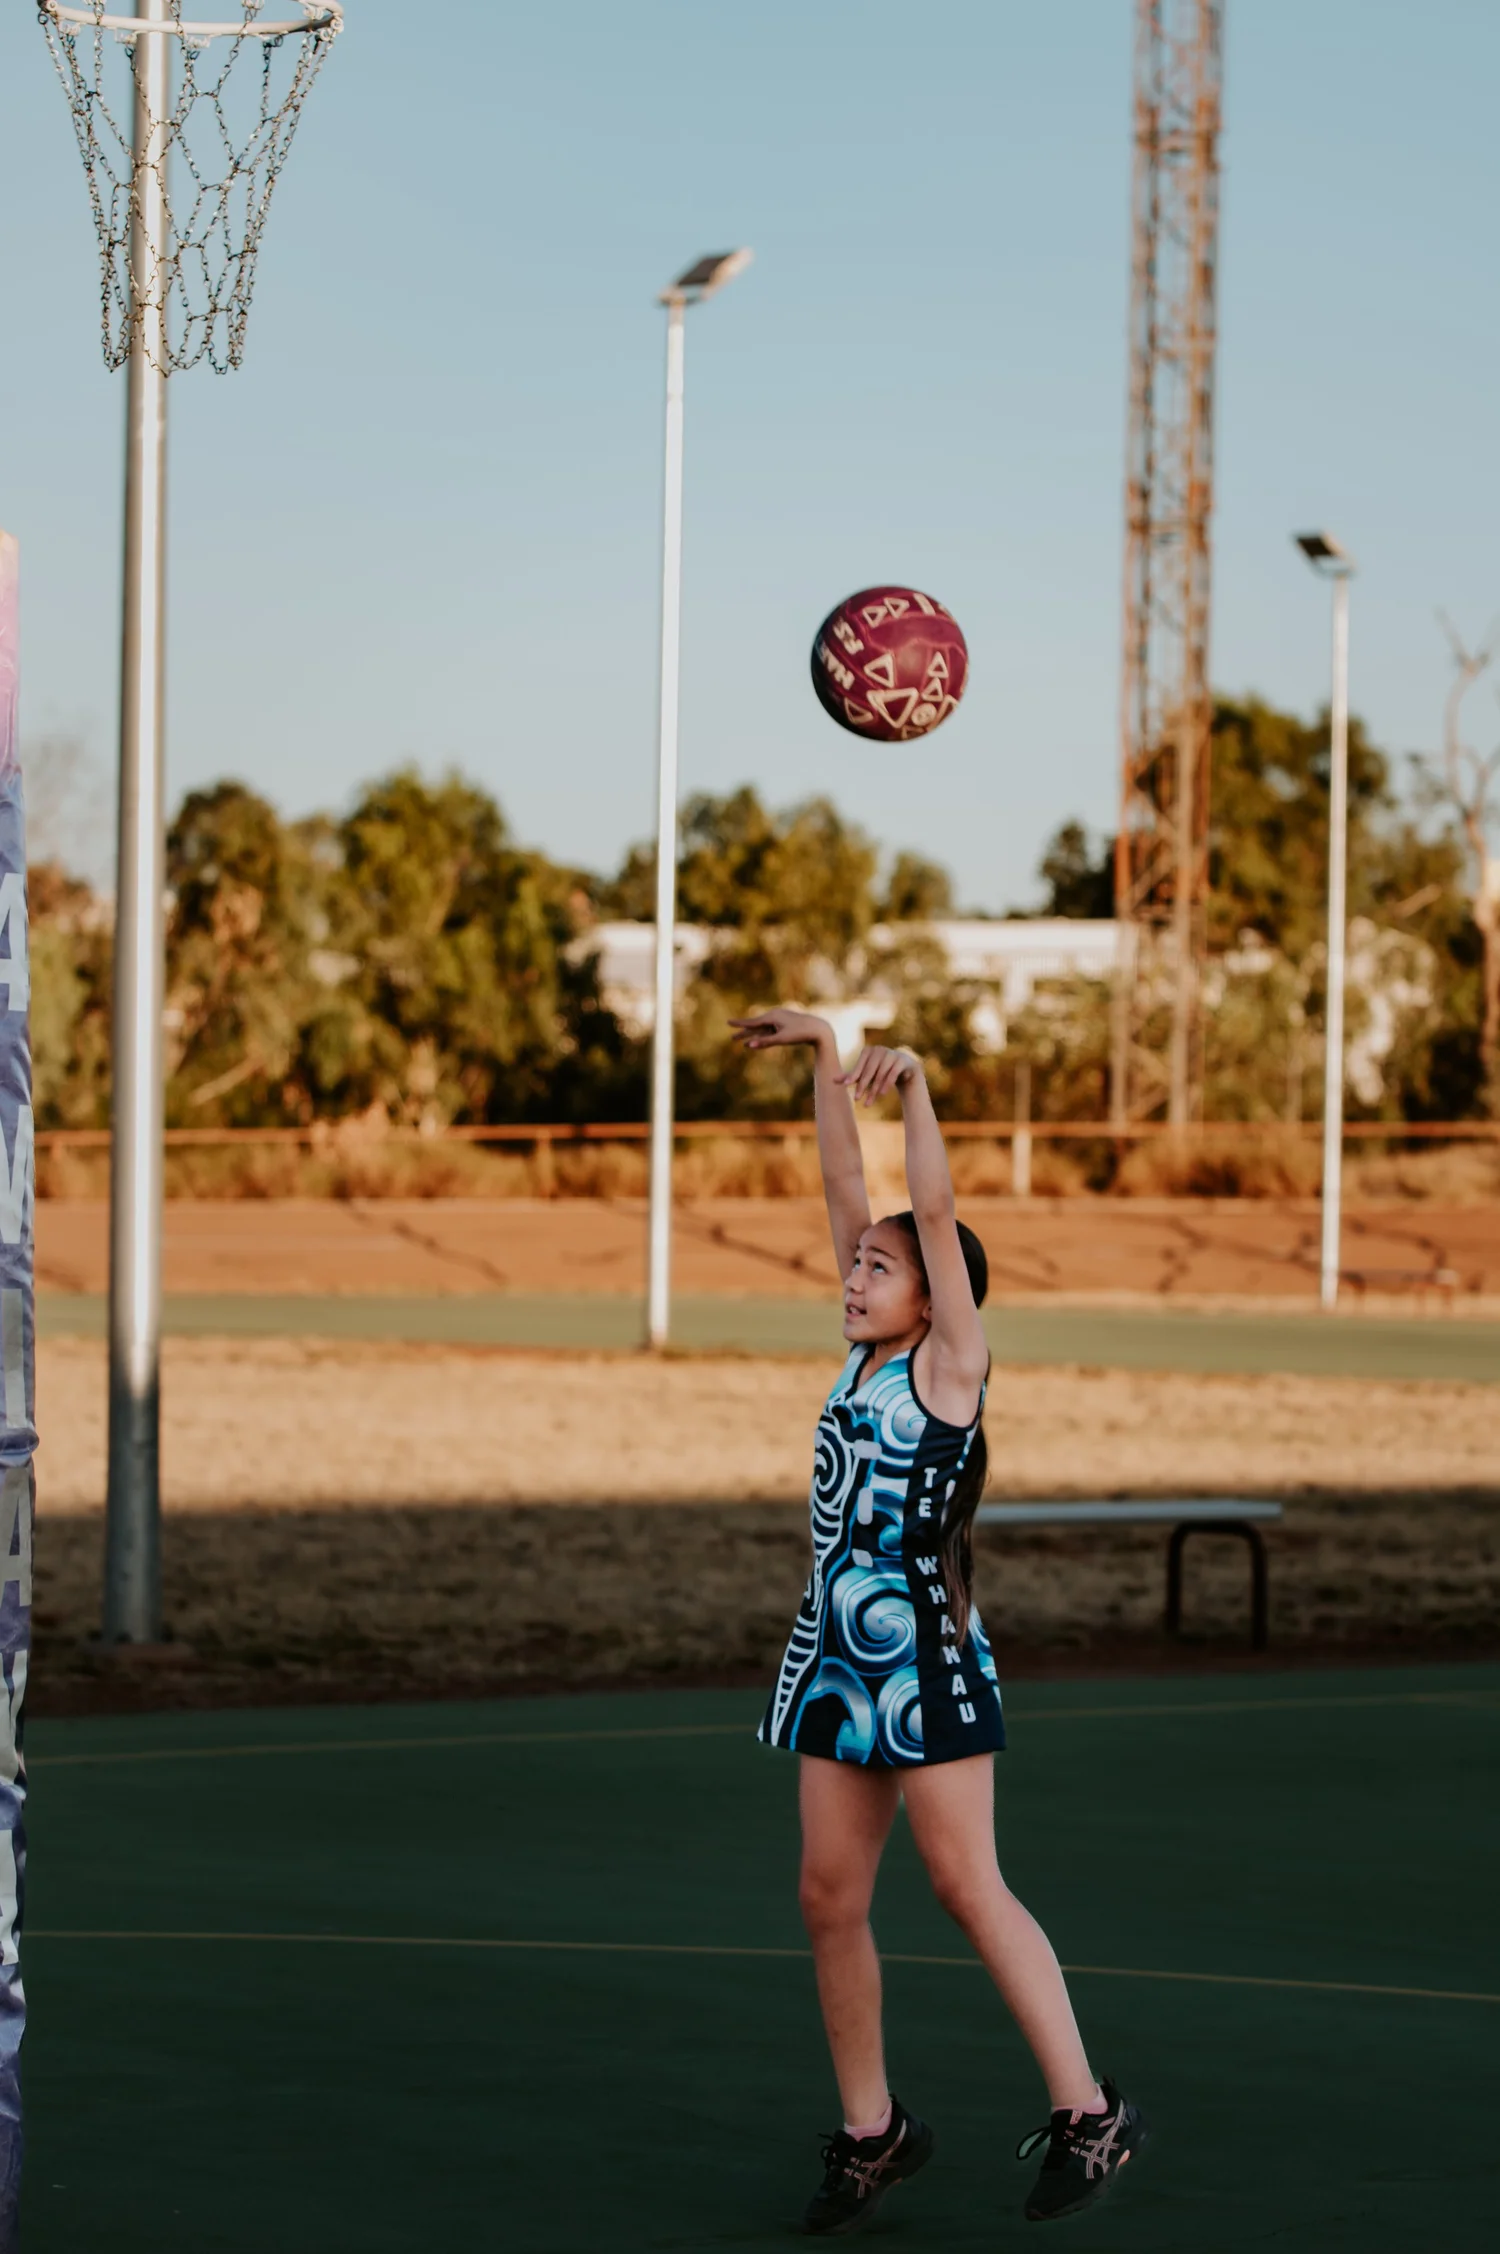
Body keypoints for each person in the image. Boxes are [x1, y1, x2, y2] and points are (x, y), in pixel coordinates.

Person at [730, 1008, 1146, 2237]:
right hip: (833, 1651)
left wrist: (910, 1085)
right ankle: (875, 2133)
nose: (856, 1275)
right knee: (825, 1894)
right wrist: (824, 1055)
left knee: (965, 1879)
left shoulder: (946, 1364)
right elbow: (846, 1180)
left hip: (922, 1650)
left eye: (882, 1267)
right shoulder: (862, 1353)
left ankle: (1089, 2111)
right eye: (855, 1263)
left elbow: (925, 1188)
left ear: (938, 1293)